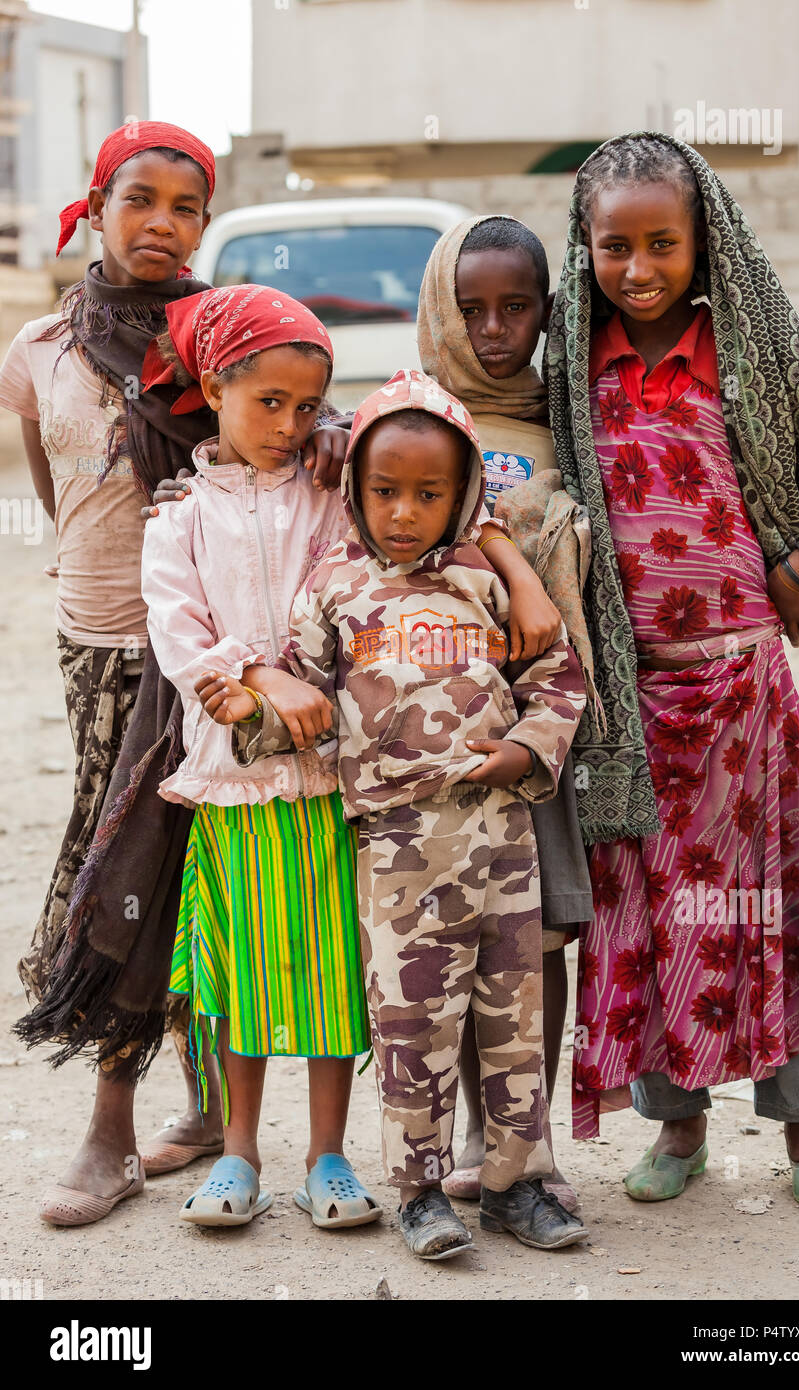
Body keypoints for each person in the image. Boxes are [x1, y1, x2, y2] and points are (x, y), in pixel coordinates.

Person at [0, 122, 348, 1226]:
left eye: (186, 208)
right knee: (122, 861)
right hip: (104, 642)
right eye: (139, 200)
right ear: (95, 205)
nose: (162, 223)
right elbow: (58, 489)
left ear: (205, 222)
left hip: (217, 649)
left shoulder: (223, 337)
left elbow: (302, 433)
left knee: (201, 865)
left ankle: (186, 1115)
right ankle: (119, 1129)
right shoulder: (40, 348)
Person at [546, 132, 799, 1208]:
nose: (637, 268)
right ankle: (676, 1127)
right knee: (645, 914)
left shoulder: (747, 354)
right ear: (584, 246)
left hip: (743, 695)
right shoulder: (571, 372)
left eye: (661, 244)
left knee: (768, 905)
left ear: (703, 241)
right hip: (630, 705)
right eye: (615, 246)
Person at [206, 368, 590, 1257]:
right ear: (356, 489)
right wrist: (251, 712)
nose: (405, 513)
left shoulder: (487, 581)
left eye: (428, 494)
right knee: (413, 1027)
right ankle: (420, 1192)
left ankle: (518, 1184)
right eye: (385, 492)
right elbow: (303, 703)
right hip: (398, 851)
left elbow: (558, 678)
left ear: (463, 497)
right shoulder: (333, 587)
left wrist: (527, 749)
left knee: (513, 1023)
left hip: (503, 840)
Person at [140, 284, 380, 1228]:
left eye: (307, 407)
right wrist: (257, 676)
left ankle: (328, 1156)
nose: (288, 426)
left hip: (332, 778)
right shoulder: (179, 518)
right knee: (239, 966)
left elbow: (359, 594)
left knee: (329, 966)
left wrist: (346, 433)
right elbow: (180, 633)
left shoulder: (334, 494)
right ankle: (238, 1152)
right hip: (235, 779)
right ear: (213, 389)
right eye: (268, 402)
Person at [417, 216, 593, 1211]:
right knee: (456, 936)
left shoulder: (567, 420)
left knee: (540, 938)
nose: (492, 330)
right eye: (471, 309)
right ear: (439, 310)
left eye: (515, 307)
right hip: (440, 731)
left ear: (546, 311)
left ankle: (526, 1143)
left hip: (541, 731)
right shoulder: (414, 417)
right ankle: (464, 1136)